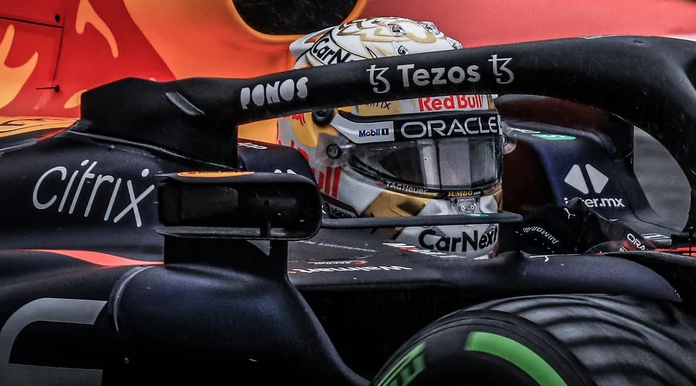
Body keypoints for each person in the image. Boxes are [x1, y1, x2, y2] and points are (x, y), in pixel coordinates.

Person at [278, 16, 654, 258]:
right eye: (406, 161)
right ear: (326, 151)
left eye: (466, 159)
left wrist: (550, 259)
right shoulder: (265, 265)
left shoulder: (534, 242)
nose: (462, 202)